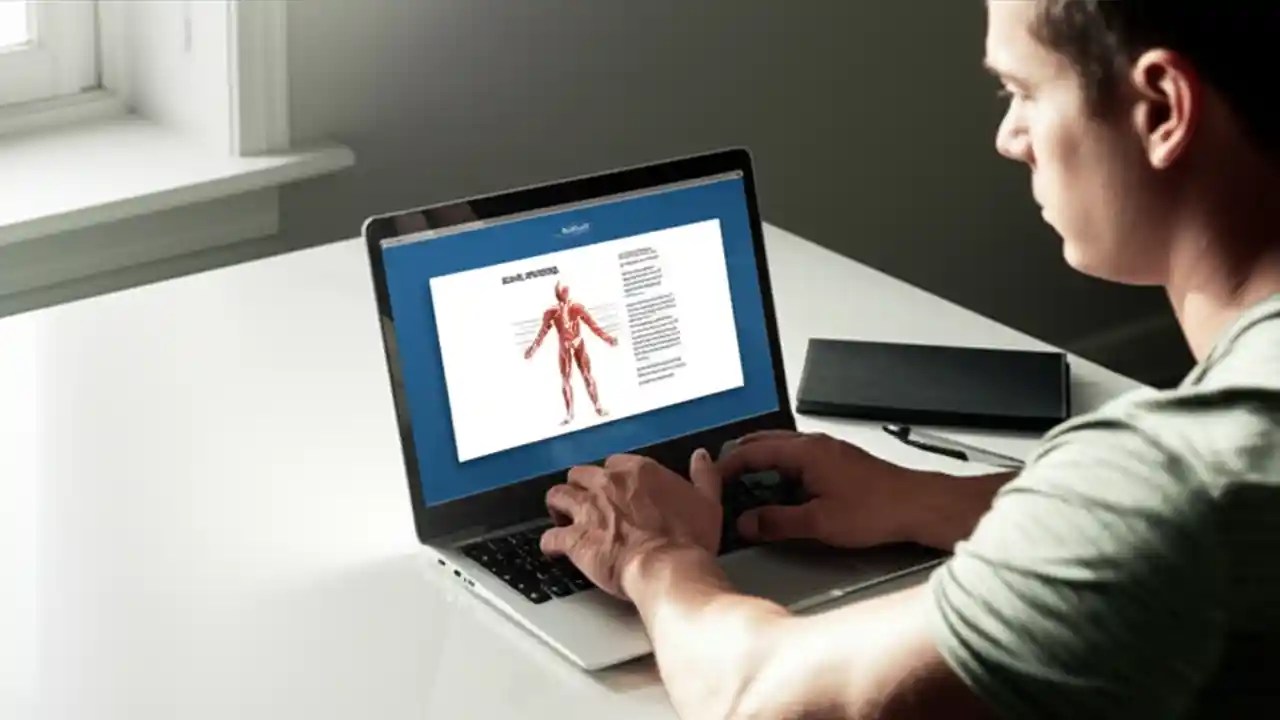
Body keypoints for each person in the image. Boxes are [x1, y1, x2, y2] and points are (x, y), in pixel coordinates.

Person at [538, 2, 1280, 718]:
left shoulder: (1176, 490)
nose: (1009, 137)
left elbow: (763, 698)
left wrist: (655, 555)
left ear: (1161, 110)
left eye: (1022, 91)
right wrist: (925, 499)